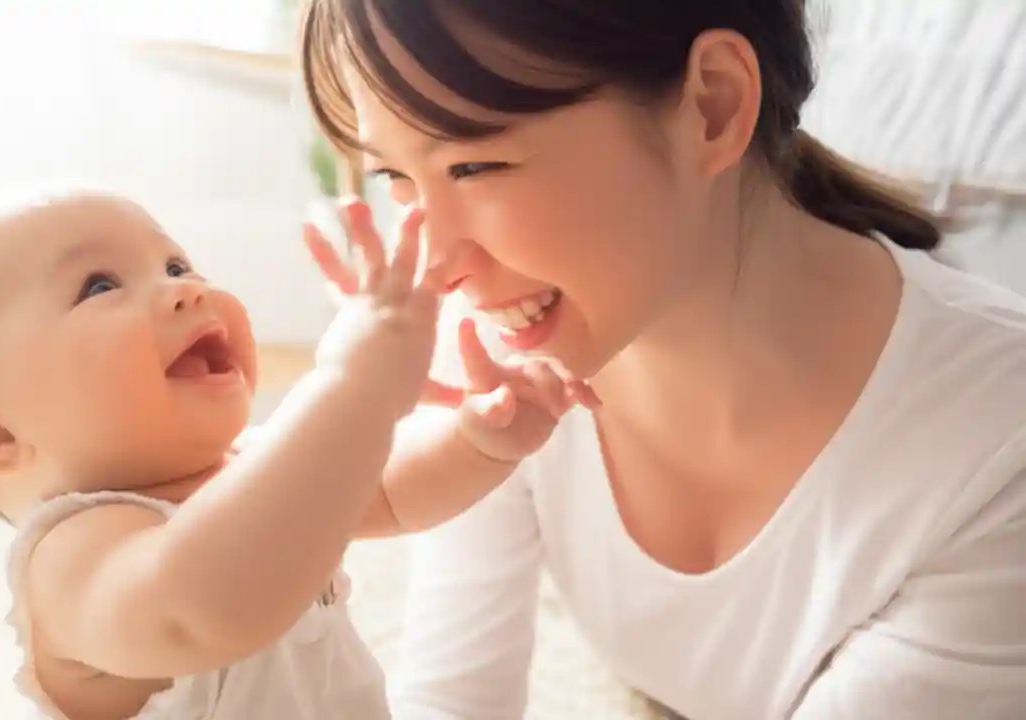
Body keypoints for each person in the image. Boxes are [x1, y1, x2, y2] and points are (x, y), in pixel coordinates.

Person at [297, 1, 1026, 718]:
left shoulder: (996, 440)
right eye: (392, 177)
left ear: (713, 105)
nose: (435, 267)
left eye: (475, 165)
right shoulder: (496, 354)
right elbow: (453, 695)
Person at [0, 186, 586, 719]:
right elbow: (205, 611)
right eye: (99, 285)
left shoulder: (252, 473)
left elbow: (389, 492)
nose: (186, 292)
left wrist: (480, 440)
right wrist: (350, 388)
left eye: (175, 265)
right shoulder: (73, 562)